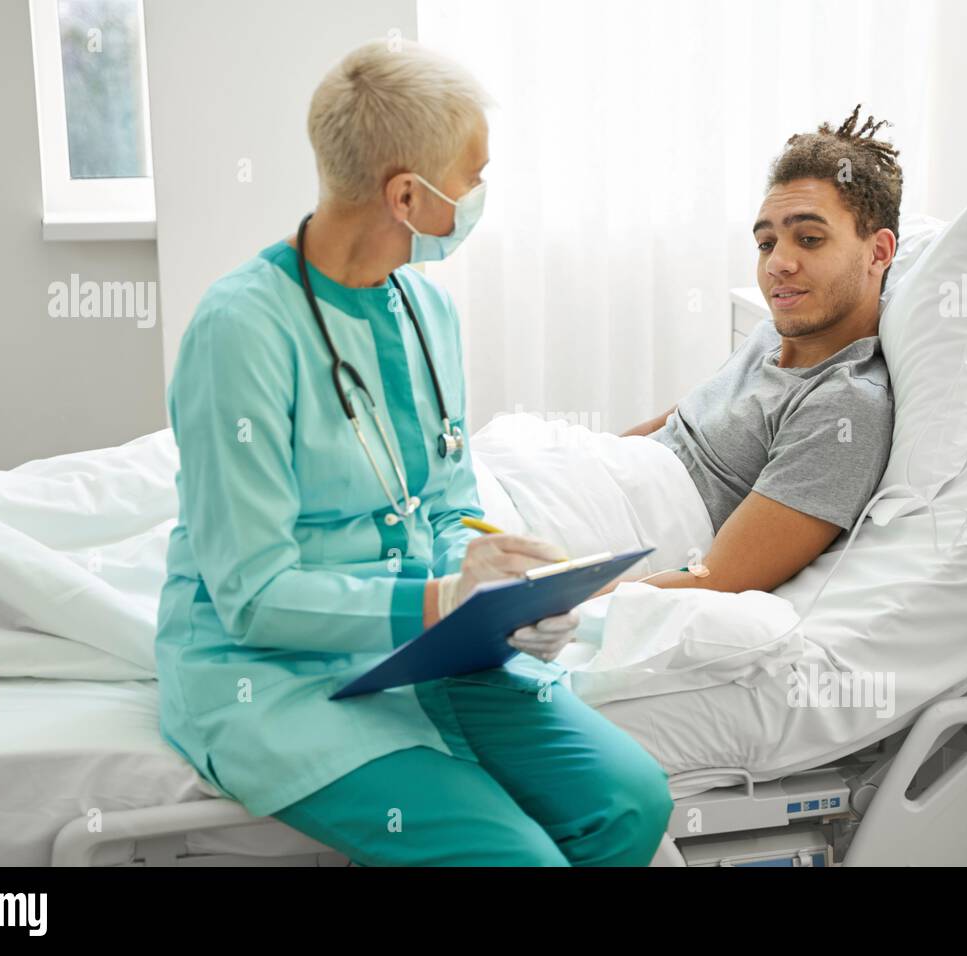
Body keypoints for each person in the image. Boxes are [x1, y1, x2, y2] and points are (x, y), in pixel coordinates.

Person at [154, 39, 673, 866]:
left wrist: (507, 593)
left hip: (431, 651)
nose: (479, 196)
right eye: (473, 176)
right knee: (519, 859)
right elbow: (250, 596)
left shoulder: (427, 313)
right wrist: (435, 604)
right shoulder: (240, 331)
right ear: (407, 195)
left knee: (631, 803)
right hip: (273, 676)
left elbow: (444, 499)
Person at [616, 106, 899, 596]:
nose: (779, 264)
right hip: (593, 483)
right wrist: (588, 457)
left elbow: (716, 579)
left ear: (878, 252)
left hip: (623, 530)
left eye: (809, 239)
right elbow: (673, 422)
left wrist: (550, 602)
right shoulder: (774, 334)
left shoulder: (845, 406)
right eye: (767, 244)